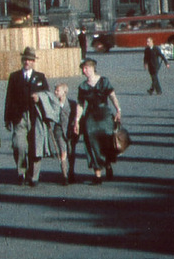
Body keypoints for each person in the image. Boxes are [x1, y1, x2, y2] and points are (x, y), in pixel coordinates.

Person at [4, 46, 49, 186]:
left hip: (36, 117)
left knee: (35, 146)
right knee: (19, 145)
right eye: (25, 59)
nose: (27, 62)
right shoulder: (14, 77)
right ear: (22, 60)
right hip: (19, 116)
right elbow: (9, 98)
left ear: (34, 61)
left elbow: (48, 96)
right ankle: (21, 172)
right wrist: (7, 118)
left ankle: (34, 176)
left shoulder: (40, 77)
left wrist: (39, 98)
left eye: (30, 60)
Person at [73, 57, 122, 185]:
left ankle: (107, 164)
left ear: (93, 68)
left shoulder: (104, 81)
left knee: (106, 140)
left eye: (86, 68)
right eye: (83, 69)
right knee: (91, 142)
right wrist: (77, 120)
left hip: (104, 114)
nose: (84, 71)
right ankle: (98, 174)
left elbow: (112, 96)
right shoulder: (82, 86)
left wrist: (118, 109)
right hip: (90, 116)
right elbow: (80, 104)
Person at [51, 83, 79, 185]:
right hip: (59, 130)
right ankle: (64, 176)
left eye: (58, 90)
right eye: (55, 90)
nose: (55, 92)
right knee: (63, 152)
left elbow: (76, 117)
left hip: (70, 131)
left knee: (71, 152)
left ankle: (71, 172)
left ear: (64, 92)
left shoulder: (72, 103)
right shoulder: (54, 103)